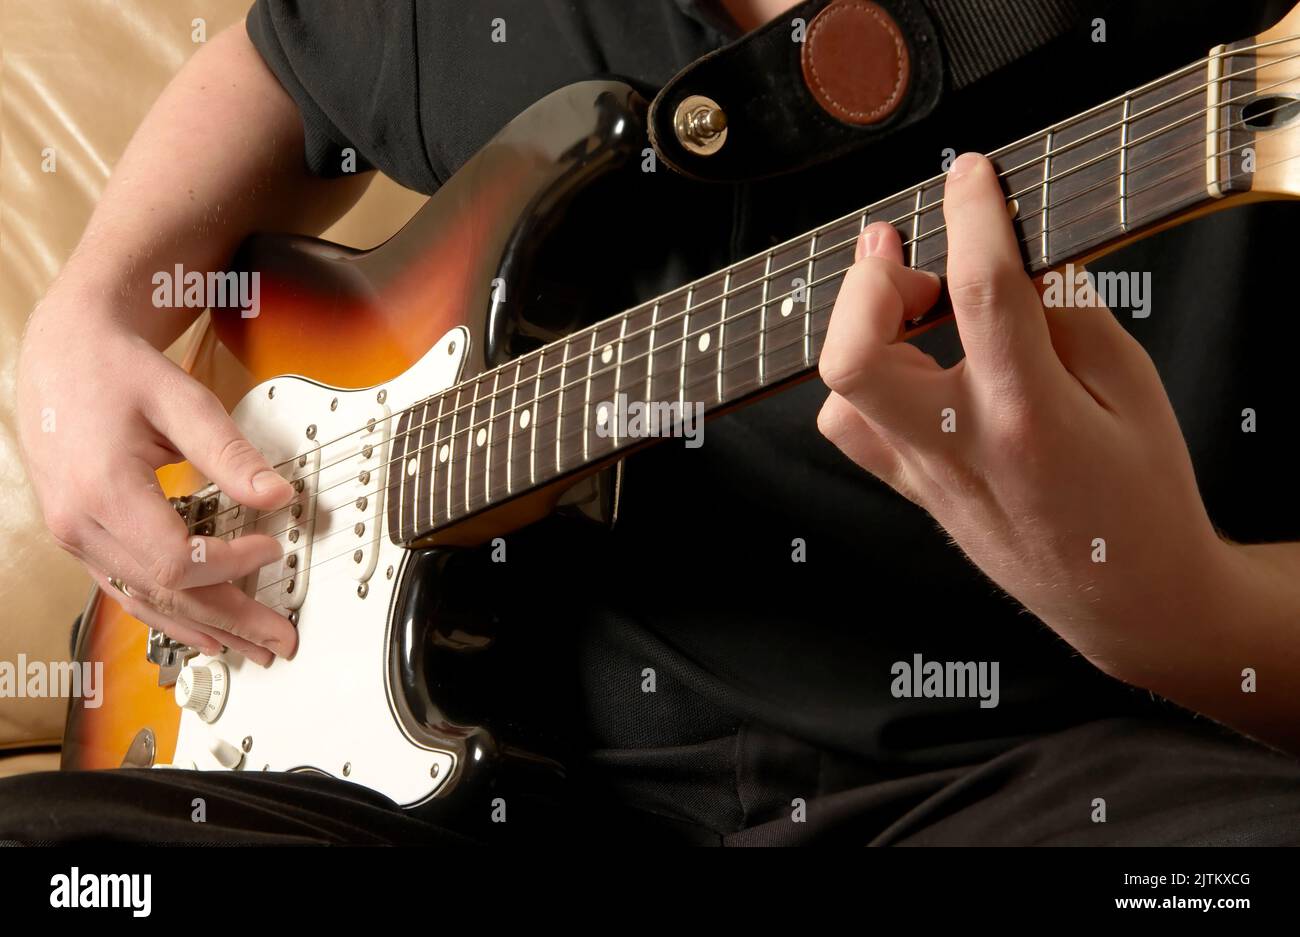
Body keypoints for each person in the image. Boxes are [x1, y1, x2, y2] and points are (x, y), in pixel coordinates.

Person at [6, 0, 1300, 844]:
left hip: (1017, 774)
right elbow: (287, 65)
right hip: (454, 782)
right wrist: (84, 316)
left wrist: (1184, 606)